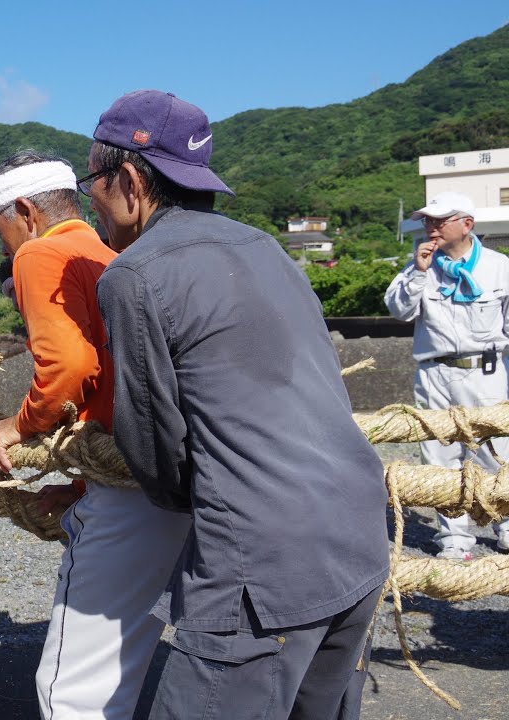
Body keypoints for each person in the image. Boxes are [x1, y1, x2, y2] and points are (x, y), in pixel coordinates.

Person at [89, 91, 389, 719]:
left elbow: (152, 442)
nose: (93, 197)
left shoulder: (134, 274)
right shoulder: (266, 246)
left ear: (129, 182)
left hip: (264, 564)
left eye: (94, 179)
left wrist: (195, 501)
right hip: (359, 530)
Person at [0, 149, 191, 719]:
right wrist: (80, 485)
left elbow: (70, 367)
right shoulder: (108, 253)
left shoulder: (40, 253)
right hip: (160, 476)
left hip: (127, 499)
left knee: (72, 690)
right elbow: (118, 380)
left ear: (26, 212)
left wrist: (18, 425)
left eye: (0, 232)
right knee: (125, 652)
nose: (4, 250)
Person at [385, 191, 509, 560]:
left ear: (467, 224)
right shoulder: (419, 266)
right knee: (439, 457)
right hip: (434, 373)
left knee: (495, 454)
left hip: (486, 371)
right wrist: (418, 272)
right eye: (427, 220)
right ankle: (454, 538)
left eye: (440, 220)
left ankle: (505, 525)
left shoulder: (499, 267)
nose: (431, 227)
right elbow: (399, 311)